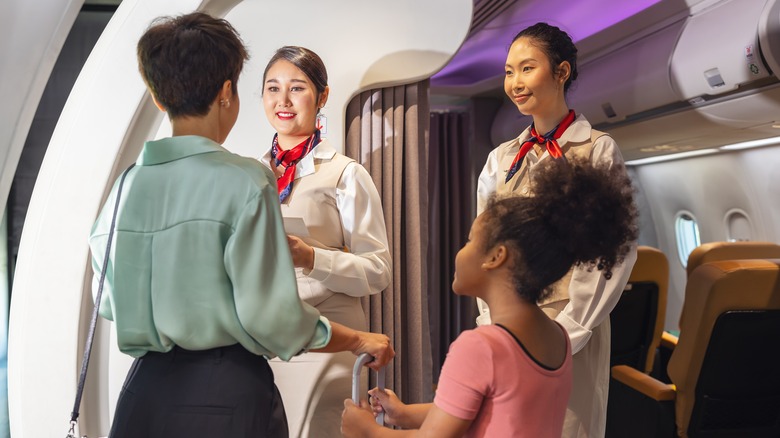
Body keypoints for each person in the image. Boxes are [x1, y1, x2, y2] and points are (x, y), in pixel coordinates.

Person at [88, 13, 393, 438]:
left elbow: (105, 300)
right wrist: (357, 340)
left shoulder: (125, 186)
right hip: (226, 386)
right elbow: (272, 319)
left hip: (143, 394)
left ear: (159, 99)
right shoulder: (248, 179)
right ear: (228, 92)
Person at [341, 157, 638, 437]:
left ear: (497, 256)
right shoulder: (557, 336)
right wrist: (404, 414)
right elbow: (491, 409)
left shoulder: (480, 348)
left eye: (471, 240)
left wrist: (368, 431)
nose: (462, 249)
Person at [474, 22, 638, 437]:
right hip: (508, 326)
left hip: (569, 330)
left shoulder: (596, 150)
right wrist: (490, 323)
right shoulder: (501, 158)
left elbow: (610, 254)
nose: (514, 82)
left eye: (527, 68)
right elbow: (484, 246)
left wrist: (566, 334)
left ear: (561, 72)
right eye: (509, 71)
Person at [258, 46, 392, 438]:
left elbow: (378, 270)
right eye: (272, 88)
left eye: (296, 88)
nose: (282, 101)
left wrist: (310, 256)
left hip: (331, 337)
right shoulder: (250, 173)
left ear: (323, 97)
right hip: (267, 339)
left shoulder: (345, 174)